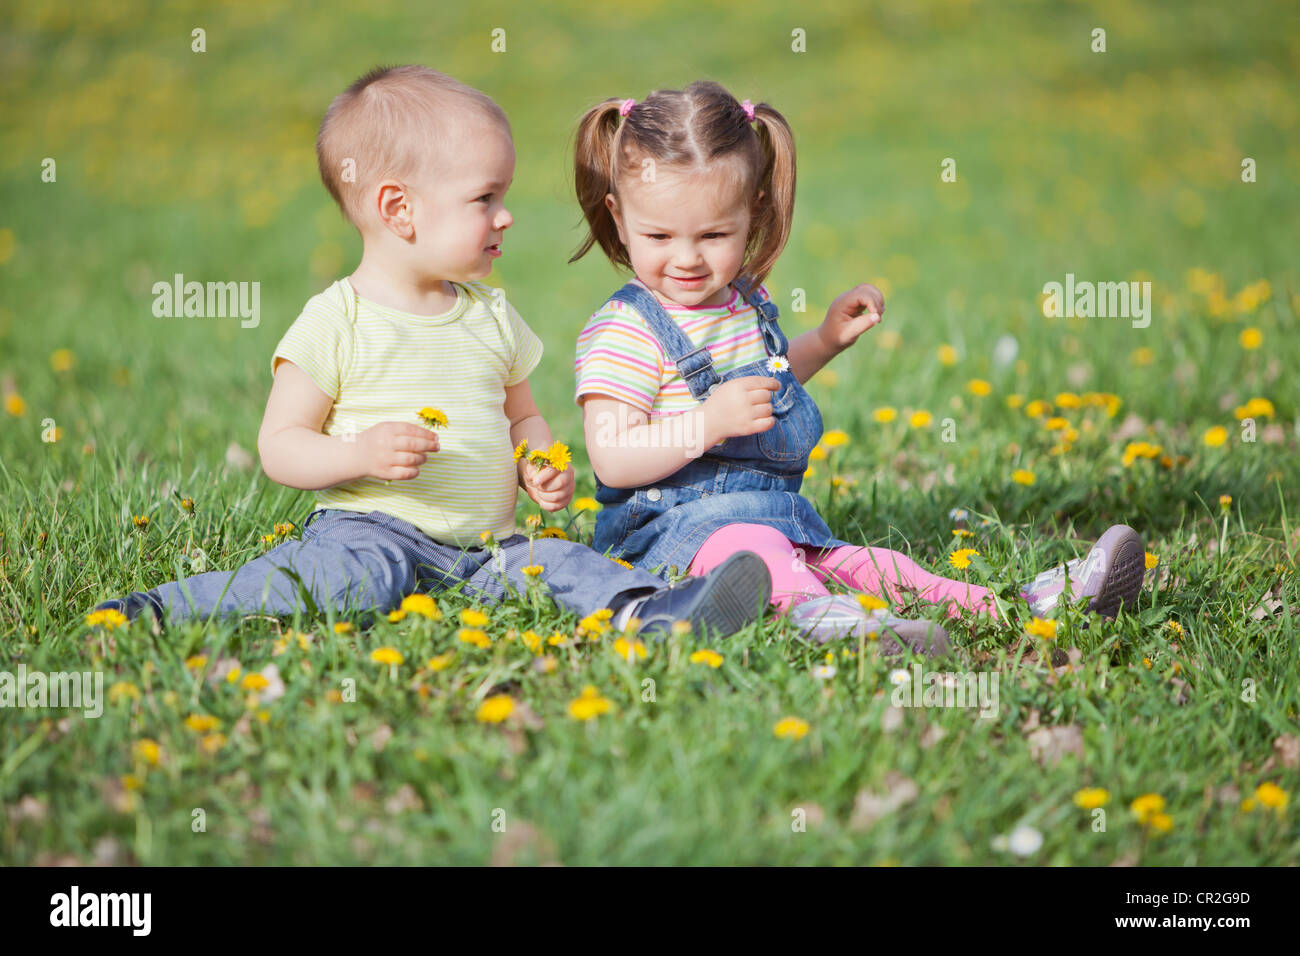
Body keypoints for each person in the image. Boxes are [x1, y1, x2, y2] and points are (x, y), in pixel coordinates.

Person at [94, 67, 772, 640]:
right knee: (352, 579)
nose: (506, 215)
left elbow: (523, 417)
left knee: (557, 563)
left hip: (487, 547)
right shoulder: (337, 320)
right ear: (399, 210)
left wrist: (537, 461)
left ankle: (657, 612)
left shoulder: (491, 315)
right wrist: (359, 454)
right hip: (372, 529)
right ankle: (161, 610)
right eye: (485, 198)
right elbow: (280, 446)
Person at [569, 81, 1145, 653]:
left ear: (754, 211)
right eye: (659, 235)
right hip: (669, 542)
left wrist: (824, 341)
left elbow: (768, 384)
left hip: (772, 519)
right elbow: (613, 458)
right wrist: (705, 424)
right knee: (761, 557)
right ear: (618, 218)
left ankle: (1020, 604)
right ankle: (830, 625)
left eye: (714, 234)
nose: (688, 257)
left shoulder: (742, 302)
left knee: (876, 564)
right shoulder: (628, 331)